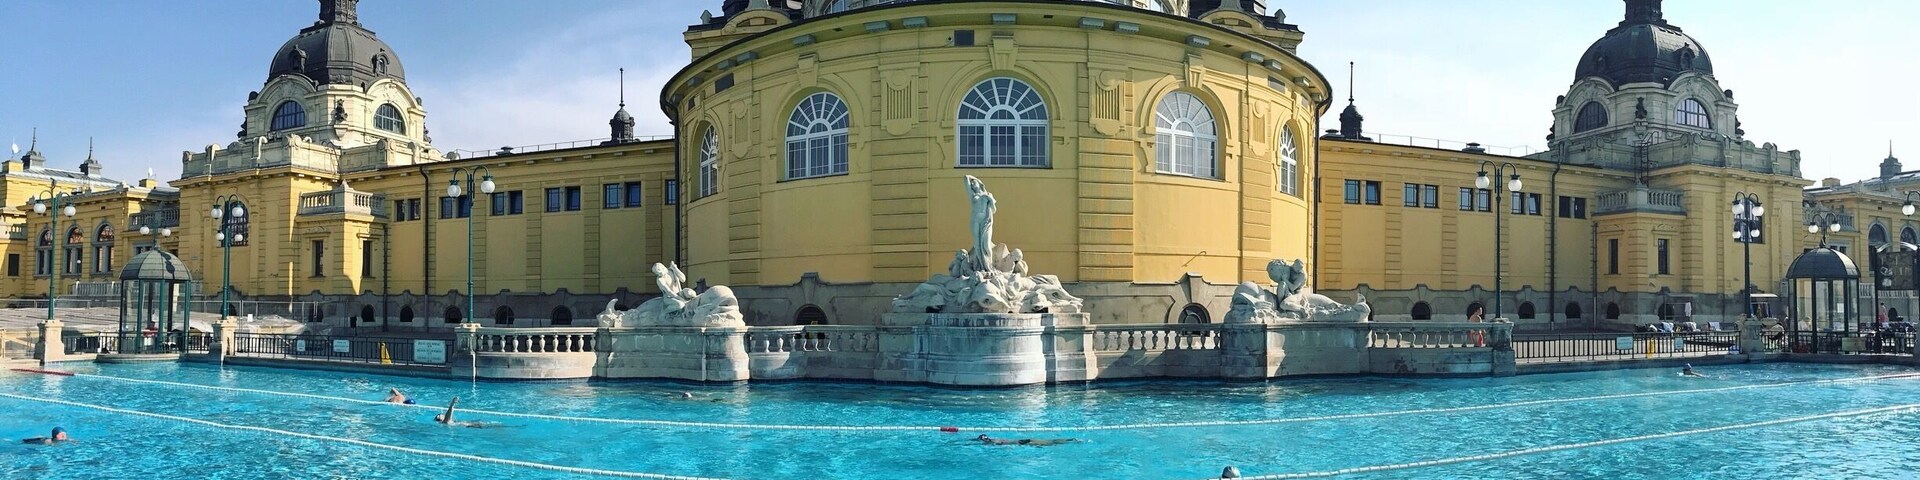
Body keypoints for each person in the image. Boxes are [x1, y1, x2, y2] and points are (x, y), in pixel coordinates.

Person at [433, 396, 499, 428]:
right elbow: (448, 415)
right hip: (471, 426)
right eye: (440, 415)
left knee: (490, 424)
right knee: (492, 425)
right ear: (440, 419)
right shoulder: (445, 422)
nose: (442, 414)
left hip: (470, 424)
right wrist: (452, 404)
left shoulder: (448, 421)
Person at [975, 433, 1077, 446]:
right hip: (1024, 440)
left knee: (1050, 443)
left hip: (1024, 442)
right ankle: (1070, 440)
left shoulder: (993, 441)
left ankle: (1071, 440)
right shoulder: (995, 439)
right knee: (1051, 441)